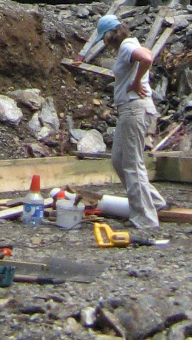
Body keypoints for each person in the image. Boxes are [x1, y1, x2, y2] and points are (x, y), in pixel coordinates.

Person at [76, 12, 167, 231]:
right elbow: (146, 55)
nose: (105, 45)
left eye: (104, 39)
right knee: (118, 160)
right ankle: (154, 202)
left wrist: (136, 83)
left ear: (110, 35)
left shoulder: (126, 45)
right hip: (129, 109)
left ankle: (145, 218)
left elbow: (147, 58)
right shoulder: (129, 44)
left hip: (134, 107)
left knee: (132, 164)